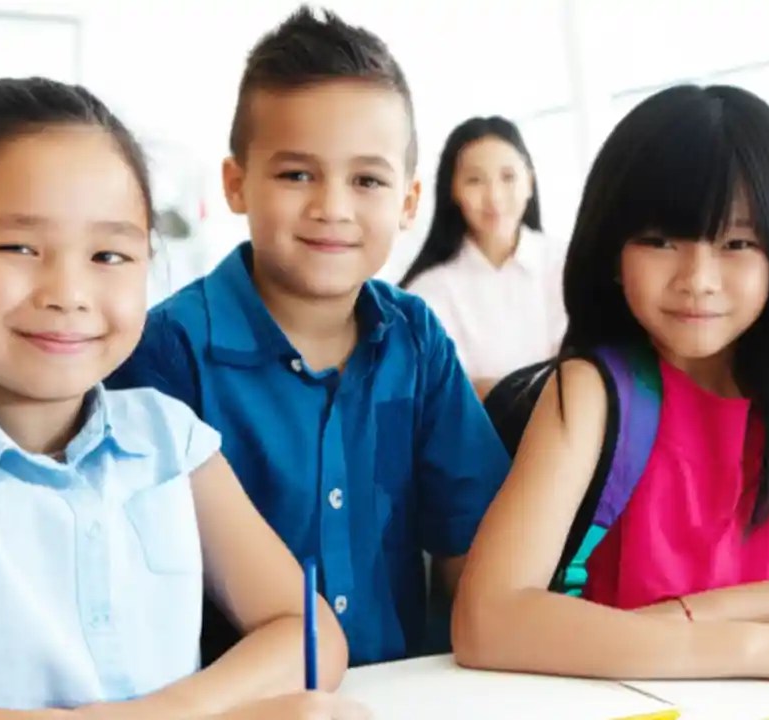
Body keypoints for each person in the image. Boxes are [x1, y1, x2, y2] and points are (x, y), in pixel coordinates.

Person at [0, 77, 366, 720]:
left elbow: (306, 632)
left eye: (109, 254)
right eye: (19, 247)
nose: (68, 292)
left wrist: (168, 712)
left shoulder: (166, 440)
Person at [452, 84, 769, 682]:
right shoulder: (594, 392)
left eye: (737, 243)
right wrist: (763, 649)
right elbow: (486, 619)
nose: (697, 279)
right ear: (612, 250)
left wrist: (702, 616)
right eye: (660, 241)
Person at [107, 6, 509, 666]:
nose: (333, 207)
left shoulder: (417, 339)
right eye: (297, 174)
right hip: (232, 703)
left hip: (405, 694)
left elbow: (474, 553)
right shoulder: (165, 352)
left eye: (367, 180)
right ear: (237, 185)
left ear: (408, 202)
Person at [400, 116, 566, 396]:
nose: (494, 197)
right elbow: (443, 395)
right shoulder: (428, 292)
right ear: (452, 189)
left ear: (530, 181)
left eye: (508, 177)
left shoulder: (567, 263)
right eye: (475, 180)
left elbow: (588, 372)